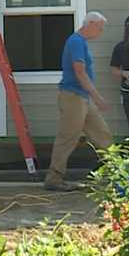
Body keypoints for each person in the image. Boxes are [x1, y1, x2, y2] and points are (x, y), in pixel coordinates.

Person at [47, 11, 112, 192]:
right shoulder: (75, 41)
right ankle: (54, 179)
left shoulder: (81, 42)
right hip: (73, 96)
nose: (100, 32)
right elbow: (80, 72)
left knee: (102, 132)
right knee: (68, 137)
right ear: (90, 24)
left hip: (83, 97)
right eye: (100, 28)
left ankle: (116, 173)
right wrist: (98, 97)